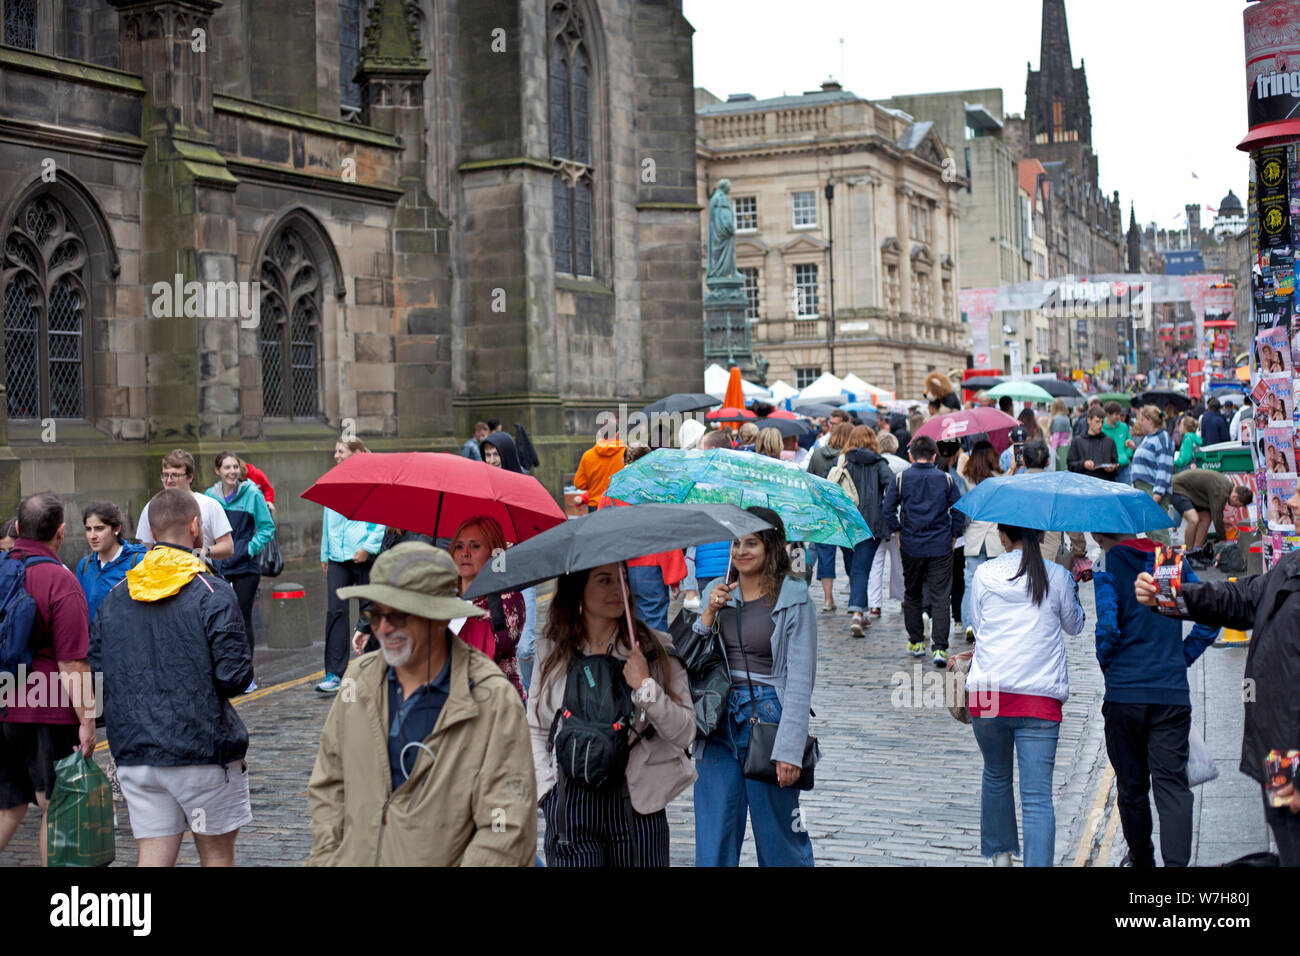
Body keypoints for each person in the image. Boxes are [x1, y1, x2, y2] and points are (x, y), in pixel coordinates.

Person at [309, 543, 535, 865]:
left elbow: (506, 829)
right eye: (377, 614)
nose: (384, 629)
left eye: (399, 615)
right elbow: (329, 784)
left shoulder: (491, 699)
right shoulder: (358, 679)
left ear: (440, 618)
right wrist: (328, 859)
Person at [1134, 487, 1300, 866]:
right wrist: (1170, 596)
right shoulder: (1292, 567)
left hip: (1295, 766)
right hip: (1278, 759)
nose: (1290, 501)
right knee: (1287, 839)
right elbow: (1238, 599)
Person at [89, 489, 253, 866]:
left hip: (136, 752)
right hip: (202, 751)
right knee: (216, 856)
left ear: (150, 529)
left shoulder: (116, 594)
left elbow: (96, 678)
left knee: (153, 857)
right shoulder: (212, 590)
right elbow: (235, 678)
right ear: (195, 527)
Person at [530, 562, 694, 866]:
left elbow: (685, 733)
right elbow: (537, 728)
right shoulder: (552, 651)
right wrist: (547, 794)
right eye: (604, 581)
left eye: (622, 580)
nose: (618, 590)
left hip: (636, 805)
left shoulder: (654, 650)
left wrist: (646, 686)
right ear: (579, 589)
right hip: (571, 804)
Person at [693, 507, 816, 866]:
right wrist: (708, 615)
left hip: (769, 720)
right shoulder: (716, 593)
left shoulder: (794, 597)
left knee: (781, 840)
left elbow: (800, 677)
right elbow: (690, 660)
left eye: (752, 543)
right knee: (713, 838)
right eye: (735, 542)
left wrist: (791, 749)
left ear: (771, 547)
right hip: (717, 722)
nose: (741, 551)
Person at [1092, 533, 1219, 867]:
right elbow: (1210, 616)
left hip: (1124, 695)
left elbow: (1107, 628)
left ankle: (1142, 860)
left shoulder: (1106, 563)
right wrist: (1182, 656)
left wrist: (1111, 666)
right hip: (1170, 693)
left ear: (1100, 532)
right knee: (1173, 787)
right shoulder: (1170, 561)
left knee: (1132, 788)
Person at [966, 524, 1086, 867]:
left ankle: (1000, 859)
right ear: (1041, 535)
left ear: (1002, 537)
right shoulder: (1057, 576)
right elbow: (1075, 625)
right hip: (1039, 698)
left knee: (995, 774)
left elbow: (978, 623)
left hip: (988, 696)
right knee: (1037, 799)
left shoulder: (985, 574)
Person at [0, 494, 95, 867]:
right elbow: (72, 663)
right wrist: (88, 721)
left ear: (19, 529)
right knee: (55, 806)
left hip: (3, 706)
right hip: (46, 710)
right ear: (60, 532)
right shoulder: (62, 581)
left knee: (8, 807)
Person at [882, 435, 964, 666]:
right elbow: (959, 510)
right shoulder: (946, 479)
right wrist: (954, 535)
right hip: (940, 544)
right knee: (940, 596)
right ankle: (939, 647)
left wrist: (897, 531)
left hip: (911, 544)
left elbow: (888, 510)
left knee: (913, 592)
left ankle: (917, 641)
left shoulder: (900, 479)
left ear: (910, 455)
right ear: (934, 455)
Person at [319, 438, 386, 695]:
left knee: (369, 610)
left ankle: (371, 667)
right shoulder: (333, 480)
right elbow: (328, 519)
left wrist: (369, 547)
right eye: (335, 450)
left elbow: (382, 519)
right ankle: (334, 673)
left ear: (356, 453)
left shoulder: (372, 480)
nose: (335, 455)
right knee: (336, 612)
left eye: (340, 451)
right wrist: (325, 552)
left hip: (364, 555)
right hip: (337, 557)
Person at [205, 451, 276, 683]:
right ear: (217, 471)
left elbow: (267, 528)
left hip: (245, 568)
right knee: (218, 620)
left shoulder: (252, 493)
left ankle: (246, 676)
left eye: (235, 467)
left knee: (243, 619)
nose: (232, 472)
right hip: (219, 568)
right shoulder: (209, 497)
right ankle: (223, 672)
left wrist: (249, 549)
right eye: (226, 468)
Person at [449, 516, 526, 699]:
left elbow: (479, 652)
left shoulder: (508, 598)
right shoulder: (444, 594)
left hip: (497, 707)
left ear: (494, 552)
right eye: (459, 546)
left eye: (475, 546)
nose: (465, 552)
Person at [840, 426, 892, 637]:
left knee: (854, 568)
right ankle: (857, 613)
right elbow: (892, 487)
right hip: (871, 524)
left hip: (845, 523)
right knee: (861, 569)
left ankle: (860, 610)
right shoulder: (879, 464)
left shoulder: (843, 461)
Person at [136, 449, 234, 562]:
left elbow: (228, 547)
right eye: (165, 475)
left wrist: (205, 551)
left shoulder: (210, 505)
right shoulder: (151, 507)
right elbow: (145, 548)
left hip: (198, 574)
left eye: (175, 475)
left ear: (190, 477)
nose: (168, 480)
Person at [960, 441, 1005, 642]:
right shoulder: (998, 480)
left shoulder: (966, 480)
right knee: (993, 585)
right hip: (994, 537)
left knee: (971, 582)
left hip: (974, 537)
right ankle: (990, 622)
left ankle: (969, 622)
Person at [75, 501, 147, 624]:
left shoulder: (138, 562)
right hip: (93, 641)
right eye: (88, 529)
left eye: (99, 529)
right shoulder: (85, 565)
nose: (92, 536)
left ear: (117, 528)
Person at [808, 422, 855, 612]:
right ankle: (853, 589)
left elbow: (809, 479)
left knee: (825, 556)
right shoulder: (849, 458)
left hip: (822, 511)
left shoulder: (818, 454)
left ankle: (828, 598)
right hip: (844, 512)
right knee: (851, 553)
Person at [1170, 470, 1252, 566]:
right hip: (1177, 489)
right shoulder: (1221, 491)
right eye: (1237, 505)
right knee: (1193, 519)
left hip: (1189, 493)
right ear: (1234, 496)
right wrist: (1224, 542)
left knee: (1206, 517)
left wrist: (1222, 522)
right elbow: (1217, 517)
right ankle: (1188, 555)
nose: (1235, 507)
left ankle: (1197, 552)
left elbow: (1214, 514)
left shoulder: (1226, 487)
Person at [868, 433, 909, 617]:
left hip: (876, 520)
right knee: (899, 562)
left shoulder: (873, 465)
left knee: (875, 563)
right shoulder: (904, 465)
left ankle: (874, 604)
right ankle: (903, 599)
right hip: (898, 519)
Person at [1130, 405, 1176, 546]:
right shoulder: (1150, 438)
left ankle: (1166, 563)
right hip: (1146, 488)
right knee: (1151, 531)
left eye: (1142, 419)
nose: (1140, 422)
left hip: (1153, 489)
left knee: (1158, 531)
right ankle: (1159, 562)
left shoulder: (1162, 437)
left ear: (1150, 420)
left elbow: (1165, 465)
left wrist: (1158, 493)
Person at [573, 423, 627, 512]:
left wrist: (595, 483)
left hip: (596, 505)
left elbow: (579, 483)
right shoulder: (627, 453)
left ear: (599, 435)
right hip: (620, 504)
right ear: (617, 434)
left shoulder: (588, 455)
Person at [1067, 405, 1119, 481]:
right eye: (1097, 421)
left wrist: (1112, 469)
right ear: (1089, 420)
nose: (1100, 425)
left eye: (1102, 422)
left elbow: (1115, 464)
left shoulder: (1109, 441)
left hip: (1105, 484)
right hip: (1084, 484)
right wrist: (1083, 464)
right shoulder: (1077, 441)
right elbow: (1070, 465)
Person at [1101, 402, 1134, 484]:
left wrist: (1126, 456)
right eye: (1116, 414)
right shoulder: (1101, 429)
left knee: (1126, 494)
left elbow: (1130, 444)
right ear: (1108, 414)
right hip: (1107, 468)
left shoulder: (1124, 427)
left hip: (1123, 467)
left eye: (1119, 414)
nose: (1119, 417)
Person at [1048, 399, 1072, 471]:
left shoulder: (1056, 419)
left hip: (1058, 448)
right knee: (1065, 468)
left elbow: (1056, 436)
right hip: (1066, 447)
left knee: (1059, 468)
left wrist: (1053, 450)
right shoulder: (1066, 417)